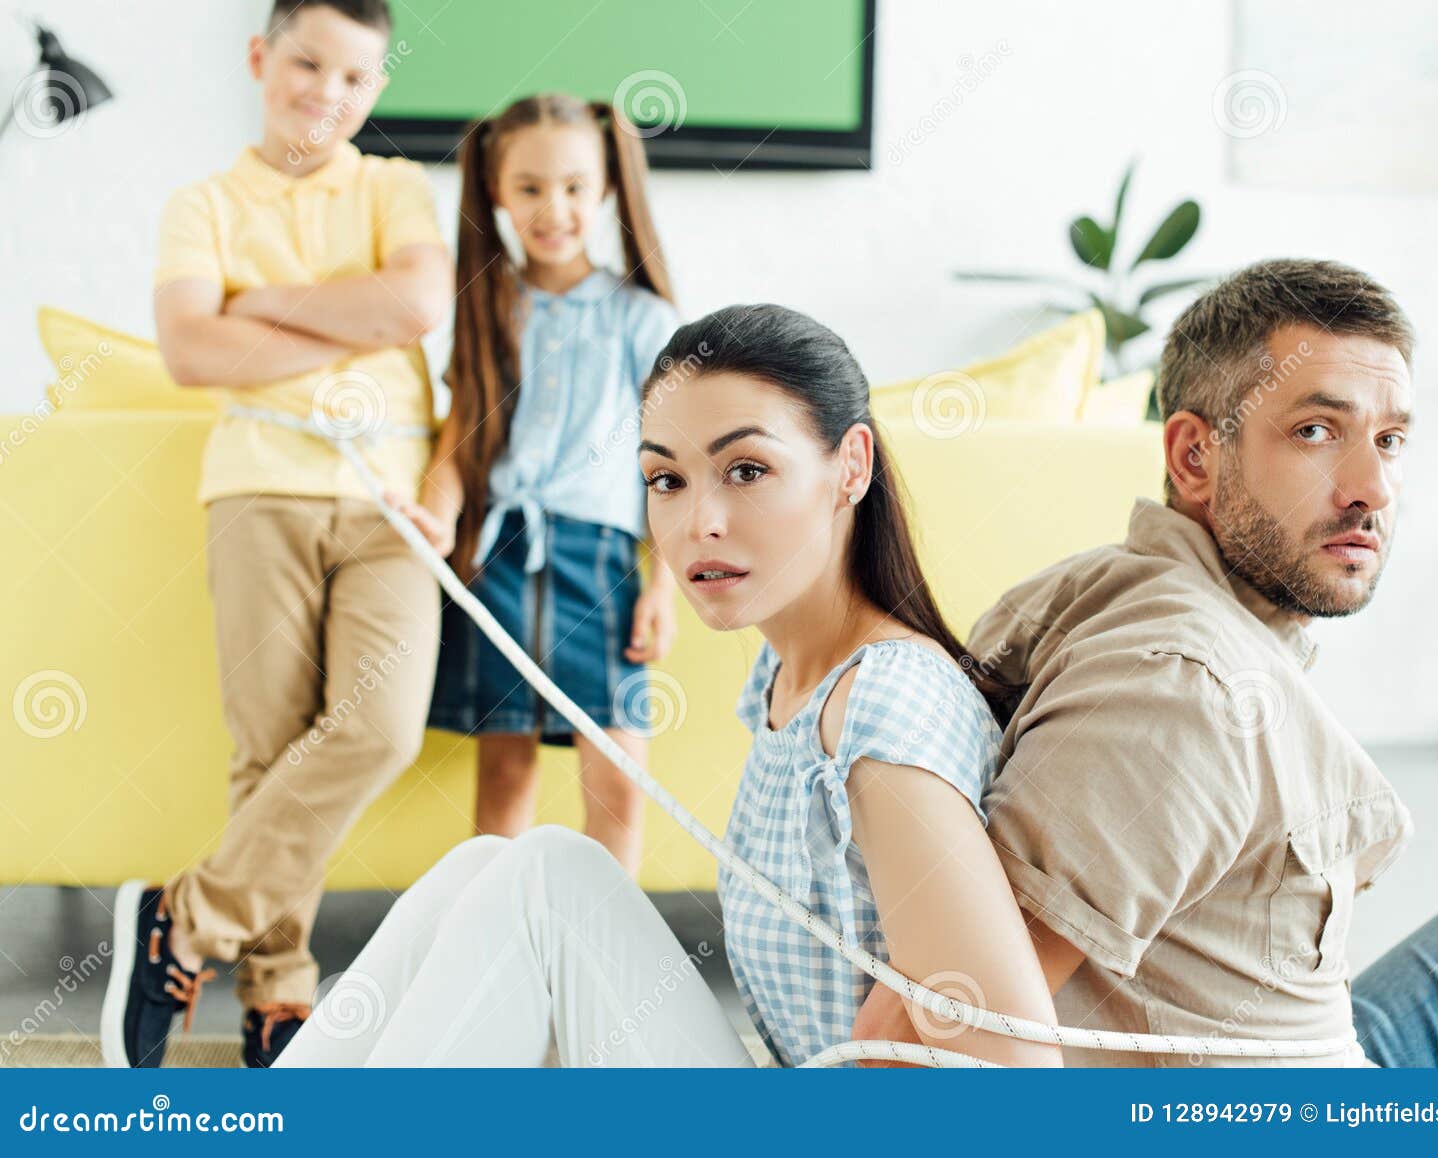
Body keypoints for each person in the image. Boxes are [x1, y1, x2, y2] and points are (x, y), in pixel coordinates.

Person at [850, 257, 1438, 1067]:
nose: (1372, 487)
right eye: (1316, 431)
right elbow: (919, 1044)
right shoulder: (1178, 690)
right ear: (1194, 457)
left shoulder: (1132, 588)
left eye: (1390, 441)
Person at [277, 305, 1062, 1067]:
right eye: (666, 480)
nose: (699, 522)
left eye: (746, 470)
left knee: (548, 877)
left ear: (850, 467)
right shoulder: (787, 680)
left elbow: (1012, 1066)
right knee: (487, 865)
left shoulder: (882, 702)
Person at [102, 0, 451, 1069]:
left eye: (355, 79)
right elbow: (193, 350)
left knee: (378, 725)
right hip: (259, 490)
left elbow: (416, 307)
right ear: (262, 58)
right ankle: (279, 997)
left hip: (391, 504)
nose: (328, 95)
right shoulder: (201, 204)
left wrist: (263, 306)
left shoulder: (395, 188)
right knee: (271, 743)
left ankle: (181, 922)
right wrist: (345, 310)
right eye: (308, 66)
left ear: (377, 90)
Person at [389, 94, 679, 865]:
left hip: (603, 566)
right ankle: (501, 950)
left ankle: (610, 966)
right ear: (495, 192)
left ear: (608, 188)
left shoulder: (640, 318)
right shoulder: (488, 307)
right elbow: (461, 438)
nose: (554, 208)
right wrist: (434, 514)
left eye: (575, 187)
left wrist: (663, 587)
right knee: (505, 776)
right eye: (529, 188)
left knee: (617, 776)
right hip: (500, 561)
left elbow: (674, 466)